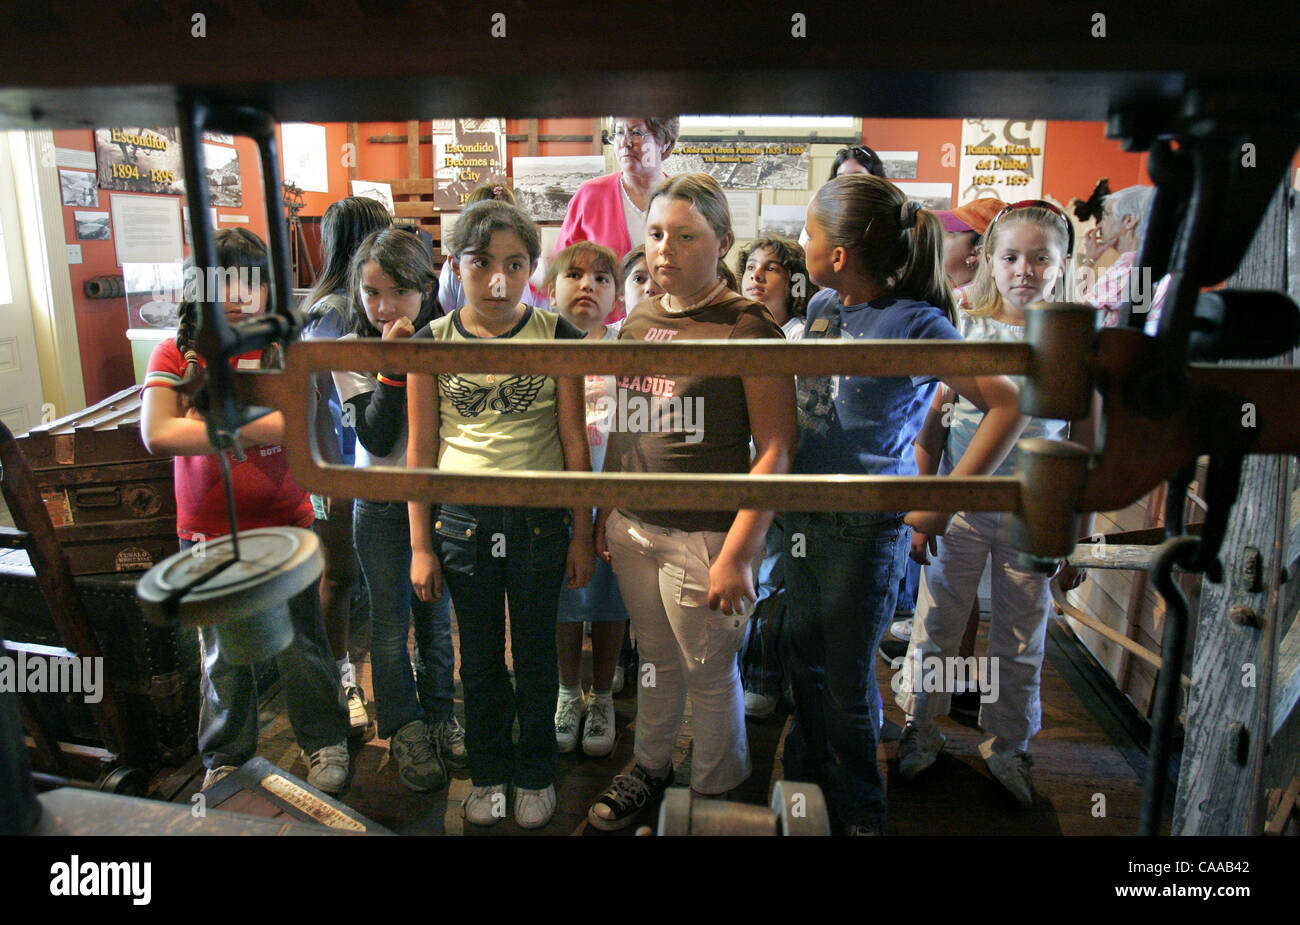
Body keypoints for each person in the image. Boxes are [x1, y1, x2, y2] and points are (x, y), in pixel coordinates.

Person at [783, 173, 1028, 835]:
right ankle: (805, 787)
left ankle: (862, 811)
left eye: (809, 233)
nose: (799, 242)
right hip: (800, 517)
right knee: (801, 659)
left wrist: (945, 501)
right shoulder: (825, 309)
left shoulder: (920, 322)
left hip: (864, 530)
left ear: (838, 252)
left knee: (845, 682)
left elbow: (1005, 402)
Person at [587, 174, 797, 832]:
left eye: (685, 235)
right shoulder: (644, 318)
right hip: (635, 527)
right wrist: (607, 509)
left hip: (705, 535)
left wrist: (740, 552)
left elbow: (777, 448)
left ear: (723, 242)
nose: (665, 249)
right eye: (654, 234)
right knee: (654, 659)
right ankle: (651, 763)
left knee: (709, 671)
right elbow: (624, 421)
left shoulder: (748, 328)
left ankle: (715, 791)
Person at [896, 201, 1093, 808]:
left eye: (1041, 258)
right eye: (1011, 257)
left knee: (1022, 629)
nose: (1025, 270)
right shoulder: (967, 328)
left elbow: (1084, 447)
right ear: (989, 260)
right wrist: (928, 504)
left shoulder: (1075, 343)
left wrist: (1075, 533)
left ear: (1062, 265)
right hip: (961, 503)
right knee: (938, 621)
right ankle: (919, 727)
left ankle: (1009, 744)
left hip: (1034, 511)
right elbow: (931, 426)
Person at [140, 229, 351, 794]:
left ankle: (324, 739)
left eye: (250, 281)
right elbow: (158, 431)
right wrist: (241, 427)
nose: (236, 294)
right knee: (222, 656)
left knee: (304, 645)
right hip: (207, 532)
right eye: (222, 281)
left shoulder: (282, 349)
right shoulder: (176, 352)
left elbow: (292, 423)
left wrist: (206, 426)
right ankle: (226, 756)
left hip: (288, 525)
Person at [407, 200, 594, 829]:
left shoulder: (557, 335)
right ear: (455, 266)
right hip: (460, 524)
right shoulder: (432, 341)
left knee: (537, 653)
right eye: (481, 262)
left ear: (532, 271)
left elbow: (574, 443)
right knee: (481, 659)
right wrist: (420, 546)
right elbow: (420, 450)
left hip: (541, 523)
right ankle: (487, 770)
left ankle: (536, 770)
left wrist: (583, 532)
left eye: (515, 265)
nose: (497, 280)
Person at [332, 226, 467, 791]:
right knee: (390, 628)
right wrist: (394, 361)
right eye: (370, 292)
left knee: (438, 620)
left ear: (425, 286)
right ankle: (405, 728)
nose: (383, 306)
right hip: (385, 505)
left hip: (441, 499)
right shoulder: (352, 352)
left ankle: (440, 715)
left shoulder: (447, 338)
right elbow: (379, 435)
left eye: (397, 292)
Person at [301, 194, 392, 736]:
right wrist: (331, 472)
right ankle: (342, 679)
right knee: (339, 576)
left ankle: (360, 673)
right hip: (340, 462)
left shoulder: (358, 304)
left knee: (357, 578)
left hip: (362, 458)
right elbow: (313, 395)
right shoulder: (332, 311)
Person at [546, 241, 630, 758]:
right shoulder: (542, 344)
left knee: (608, 601)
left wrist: (614, 502)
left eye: (602, 279)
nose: (587, 286)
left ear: (617, 296)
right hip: (557, 501)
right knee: (564, 601)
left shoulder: (625, 349)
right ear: (551, 288)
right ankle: (565, 691)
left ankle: (602, 696)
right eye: (574, 276)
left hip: (613, 497)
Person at [734, 236, 816, 719]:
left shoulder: (803, 334)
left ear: (795, 282)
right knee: (752, 574)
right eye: (750, 267)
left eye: (771, 269)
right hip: (742, 474)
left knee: (777, 578)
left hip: (785, 476)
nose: (756, 277)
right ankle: (759, 672)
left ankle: (766, 676)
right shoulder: (739, 329)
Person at [552, 117, 679, 322]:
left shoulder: (683, 200)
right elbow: (561, 265)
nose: (625, 142)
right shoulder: (590, 195)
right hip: (601, 328)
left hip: (671, 324)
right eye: (619, 133)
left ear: (665, 141)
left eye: (636, 133)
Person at [437, 180, 548, 315]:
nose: (497, 283)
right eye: (482, 263)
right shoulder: (453, 268)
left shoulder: (535, 264)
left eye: (514, 266)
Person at [1076, 184, 1165, 329]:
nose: (1099, 223)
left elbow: (1077, 316)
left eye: (1106, 215)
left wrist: (1089, 261)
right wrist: (1091, 259)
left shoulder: (1128, 267)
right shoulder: (1149, 265)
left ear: (1129, 221)